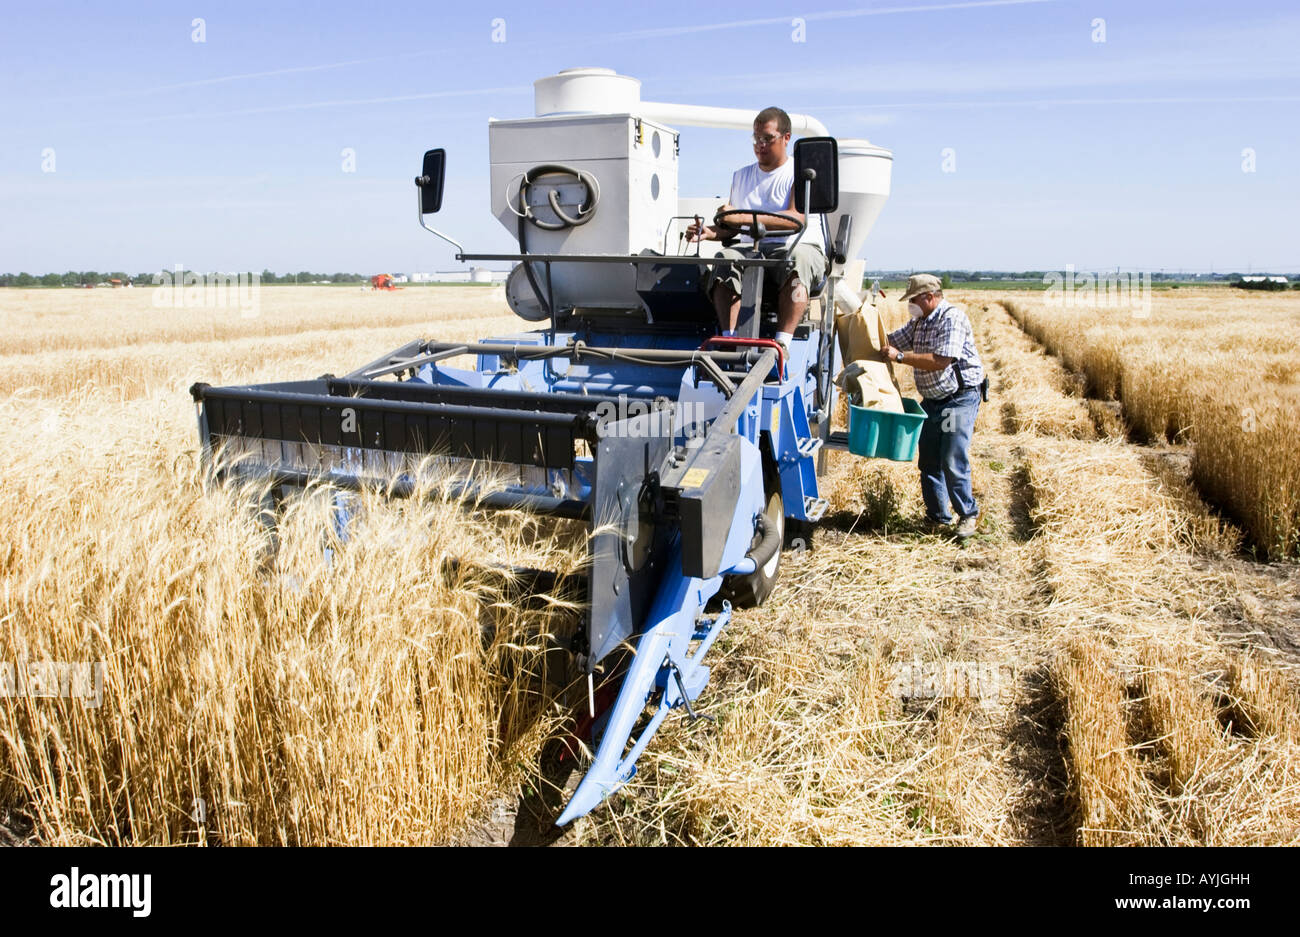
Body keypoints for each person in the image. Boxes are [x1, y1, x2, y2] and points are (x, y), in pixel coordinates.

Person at [687, 107, 827, 351]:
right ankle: (729, 340)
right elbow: (733, 227)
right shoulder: (741, 177)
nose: (759, 144)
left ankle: (782, 344)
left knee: (799, 259)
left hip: (794, 247)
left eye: (767, 138)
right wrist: (711, 232)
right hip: (753, 251)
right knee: (725, 257)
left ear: (786, 137)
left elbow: (796, 218)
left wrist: (741, 217)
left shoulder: (800, 173)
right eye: (756, 138)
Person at [880, 274, 987, 539]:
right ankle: (937, 518)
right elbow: (892, 341)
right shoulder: (919, 322)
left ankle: (968, 514)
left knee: (952, 455)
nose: (910, 305)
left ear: (929, 297)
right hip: (932, 400)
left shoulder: (951, 318)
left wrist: (900, 357)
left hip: (957, 398)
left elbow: (940, 361)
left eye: (913, 300)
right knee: (928, 459)